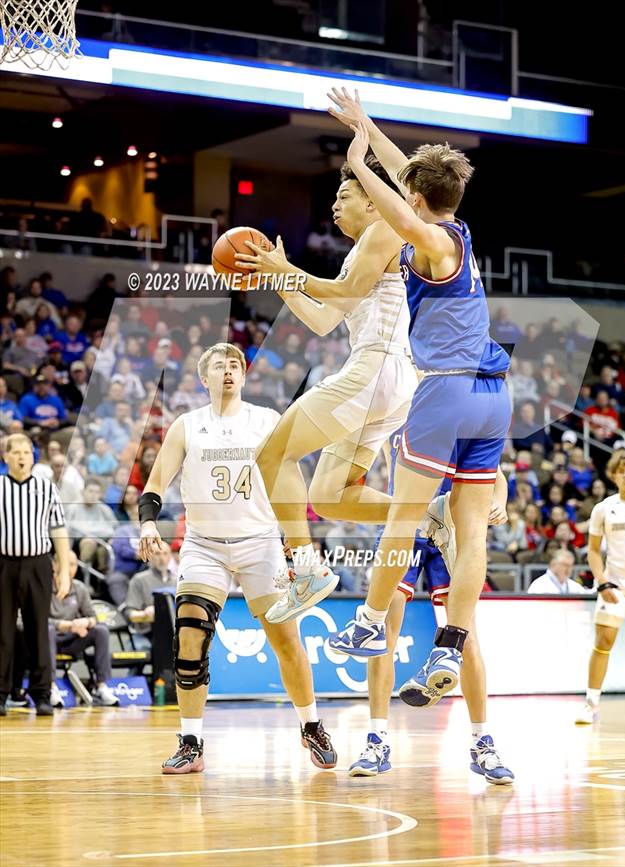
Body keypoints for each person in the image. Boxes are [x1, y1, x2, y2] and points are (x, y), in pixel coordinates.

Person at [324, 88, 511, 709]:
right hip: (492, 397)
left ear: (418, 203)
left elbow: (404, 214)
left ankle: (370, 621)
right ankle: (450, 644)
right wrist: (368, 128)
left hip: (446, 389)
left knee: (405, 518)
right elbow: (411, 182)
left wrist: (358, 165)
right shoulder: (457, 228)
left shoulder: (430, 239)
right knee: (471, 532)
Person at [138, 343, 337, 773]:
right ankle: (191, 741)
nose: (227, 372)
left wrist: (297, 539)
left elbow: (290, 481)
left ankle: (311, 725)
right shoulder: (186, 426)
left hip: (260, 541)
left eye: (234, 366)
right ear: (202, 378)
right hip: (204, 544)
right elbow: (155, 484)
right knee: (189, 638)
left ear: (244, 376)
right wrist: (148, 523)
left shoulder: (266, 421)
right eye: (218, 366)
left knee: (287, 642)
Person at [235, 156, 418, 623]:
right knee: (331, 496)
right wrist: (279, 277)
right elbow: (322, 318)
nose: (335, 206)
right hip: (390, 382)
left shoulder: (384, 231)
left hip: (376, 367)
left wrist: (287, 269)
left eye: (344, 195)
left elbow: (346, 290)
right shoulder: (363, 249)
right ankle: (434, 516)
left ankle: (306, 569)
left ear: (375, 202)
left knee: (272, 457)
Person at [350, 432, 514, 784]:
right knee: (382, 631)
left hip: (451, 526)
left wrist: (499, 500)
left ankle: (481, 740)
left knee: (466, 638)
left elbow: (494, 472)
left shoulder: (457, 412)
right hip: (406, 526)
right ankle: (376, 739)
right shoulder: (396, 411)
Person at [0, 434, 71, 716]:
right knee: (2, 632)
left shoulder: (47, 487)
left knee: (39, 631)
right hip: (4, 565)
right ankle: (1, 694)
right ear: (5, 457)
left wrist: (64, 571)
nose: (21, 457)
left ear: (33, 456)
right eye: (15, 452)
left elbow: (59, 531)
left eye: (26, 452)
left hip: (38, 564)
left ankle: (42, 694)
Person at [575, 450, 625, 724]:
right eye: (621, 470)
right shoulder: (603, 508)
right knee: (603, 642)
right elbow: (591, 551)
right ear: (613, 475)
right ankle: (591, 704)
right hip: (615, 581)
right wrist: (602, 582)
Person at [49, 551, 119, 707]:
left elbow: (93, 617)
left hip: (71, 641)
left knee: (101, 630)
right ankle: (51, 687)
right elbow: (37, 620)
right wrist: (67, 625)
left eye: (73, 564)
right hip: (47, 640)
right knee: (48, 630)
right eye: (65, 563)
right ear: (54, 565)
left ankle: (101, 687)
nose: (69, 568)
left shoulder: (79, 588)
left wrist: (85, 622)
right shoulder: (44, 587)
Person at [123, 542, 176, 643]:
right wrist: (144, 614)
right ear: (150, 556)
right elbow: (130, 614)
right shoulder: (139, 580)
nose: (162, 558)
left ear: (170, 557)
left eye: (165, 554)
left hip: (174, 633)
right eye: (157, 554)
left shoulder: (177, 581)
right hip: (147, 634)